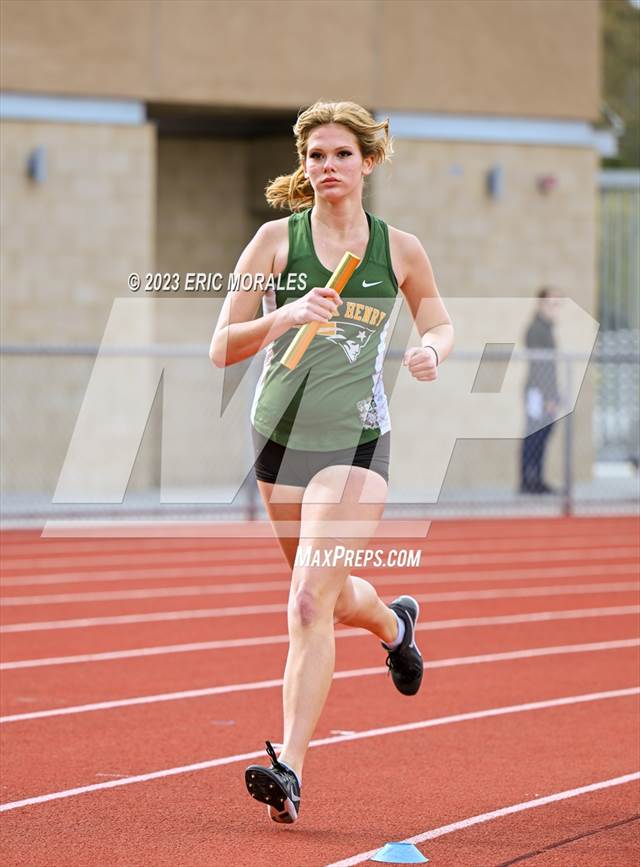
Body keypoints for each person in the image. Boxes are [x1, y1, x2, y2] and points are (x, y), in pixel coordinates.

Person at [210, 100, 454, 824]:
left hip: (355, 443)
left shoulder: (398, 248)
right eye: (316, 155)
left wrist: (430, 349)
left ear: (368, 162)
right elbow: (222, 345)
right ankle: (393, 624)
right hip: (278, 436)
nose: (327, 167)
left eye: (342, 154)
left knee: (308, 602)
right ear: (303, 164)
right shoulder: (275, 242)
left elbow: (438, 317)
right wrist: (283, 314)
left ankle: (288, 767)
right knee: (327, 593)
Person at [519, 288, 562, 494]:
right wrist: (547, 397)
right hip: (538, 392)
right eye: (550, 304)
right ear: (540, 304)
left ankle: (536, 478)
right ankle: (528, 480)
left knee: (543, 433)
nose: (554, 309)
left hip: (545, 392)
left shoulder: (546, 329)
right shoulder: (537, 330)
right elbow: (540, 366)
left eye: (557, 304)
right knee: (534, 434)